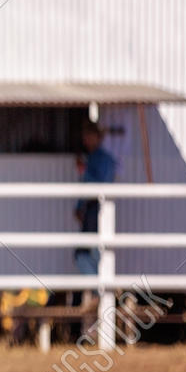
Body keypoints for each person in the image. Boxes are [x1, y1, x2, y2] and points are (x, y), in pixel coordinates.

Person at [73, 119, 117, 284]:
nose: (86, 140)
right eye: (85, 137)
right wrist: (79, 206)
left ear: (98, 137)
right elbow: (85, 186)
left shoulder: (105, 160)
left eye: (89, 136)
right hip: (89, 209)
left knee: (92, 252)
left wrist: (84, 170)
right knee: (86, 253)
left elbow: (101, 186)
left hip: (98, 210)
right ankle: (100, 289)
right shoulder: (91, 159)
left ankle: (101, 289)